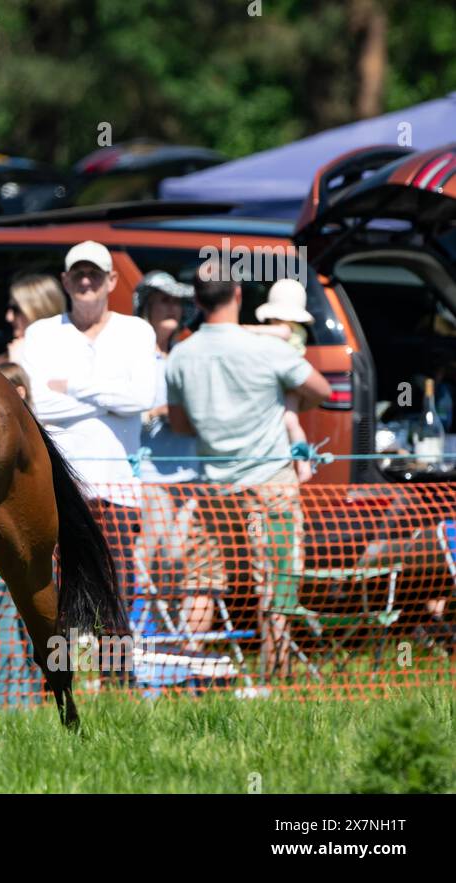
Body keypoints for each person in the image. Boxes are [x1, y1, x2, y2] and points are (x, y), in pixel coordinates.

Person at [166, 268, 330, 679]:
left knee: (202, 580)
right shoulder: (269, 350)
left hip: (213, 489)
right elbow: (323, 390)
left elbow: (180, 425)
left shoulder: (181, 355)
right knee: (277, 582)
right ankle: (275, 676)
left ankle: (188, 671)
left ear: (197, 302)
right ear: (238, 294)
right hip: (271, 485)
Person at [21, 241, 157, 609]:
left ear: (112, 280)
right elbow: (40, 404)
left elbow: (142, 398)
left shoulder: (137, 331)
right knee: (63, 584)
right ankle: (69, 660)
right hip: (60, 483)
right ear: (65, 281)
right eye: (78, 274)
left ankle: (114, 663)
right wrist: (111, 400)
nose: (86, 281)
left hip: (119, 485)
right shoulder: (41, 333)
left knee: (117, 584)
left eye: (94, 274)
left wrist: (74, 387)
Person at [132, 272, 203, 633]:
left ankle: (166, 633)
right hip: (151, 473)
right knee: (147, 552)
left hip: (191, 472)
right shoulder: (135, 357)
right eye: (163, 300)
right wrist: (160, 413)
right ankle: (122, 631)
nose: (172, 307)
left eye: (177, 301)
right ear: (146, 307)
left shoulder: (186, 355)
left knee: (176, 554)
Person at [246, 278, 315, 483]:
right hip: (283, 383)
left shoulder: (289, 329)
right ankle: (302, 462)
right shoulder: (290, 329)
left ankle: (303, 462)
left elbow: (282, 333)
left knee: (290, 421)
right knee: (290, 420)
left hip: (288, 383)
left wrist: (247, 329)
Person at [5, 273, 65, 366]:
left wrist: (18, 365)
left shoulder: (69, 349)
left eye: (16, 309)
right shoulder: (15, 349)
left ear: (39, 309)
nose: (9, 317)